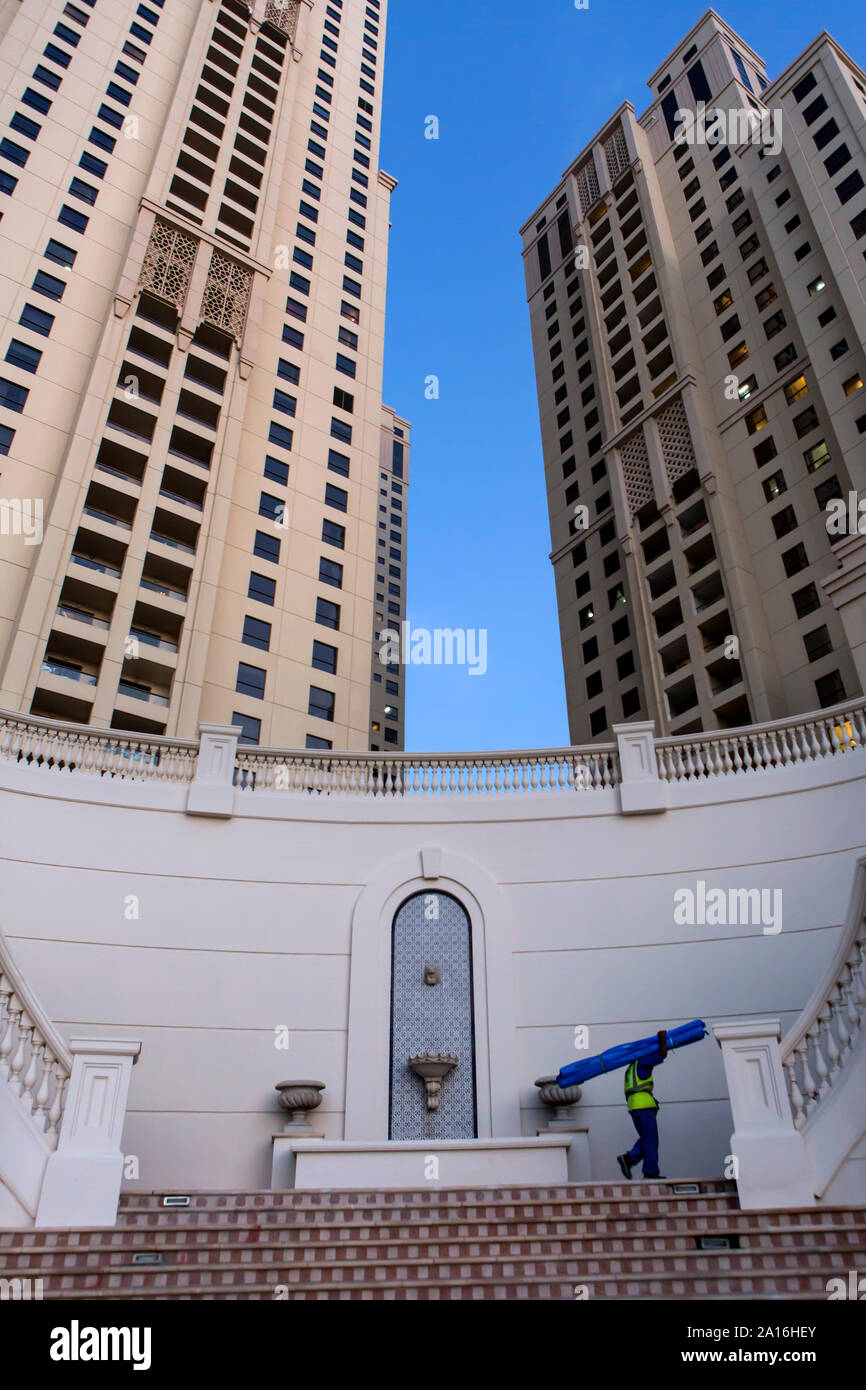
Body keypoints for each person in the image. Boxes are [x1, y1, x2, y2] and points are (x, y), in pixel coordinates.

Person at [617, 1030, 668, 1180]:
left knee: (647, 1137)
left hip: (634, 1106)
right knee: (651, 1139)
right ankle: (649, 1172)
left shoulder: (630, 1067)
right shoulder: (643, 1062)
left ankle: (629, 1159)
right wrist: (662, 1038)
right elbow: (662, 1054)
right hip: (643, 1105)